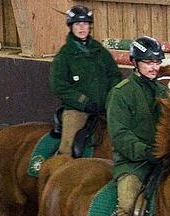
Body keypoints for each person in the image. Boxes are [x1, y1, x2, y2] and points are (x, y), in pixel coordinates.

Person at [105, 36, 167, 216]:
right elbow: (119, 135)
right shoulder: (121, 94)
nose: (154, 67)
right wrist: (145, 151)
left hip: (162, 160)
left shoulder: (164, 92)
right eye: (148, 62)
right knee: (128, 205)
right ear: (134, 62)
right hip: (133, 163)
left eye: (157, 62)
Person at [49, 5, 122, 156]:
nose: (82, 28)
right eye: (77, 24)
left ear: (90, 26)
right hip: (78, 110)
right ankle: (62, 170)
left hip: (105, 108)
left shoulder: (100, 52)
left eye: (85, 24)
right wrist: (84, 101)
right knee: (69, 148)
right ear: (71, 27)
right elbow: (59, 85)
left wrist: (111, 97)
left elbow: (115, 75)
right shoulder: (64, 56)